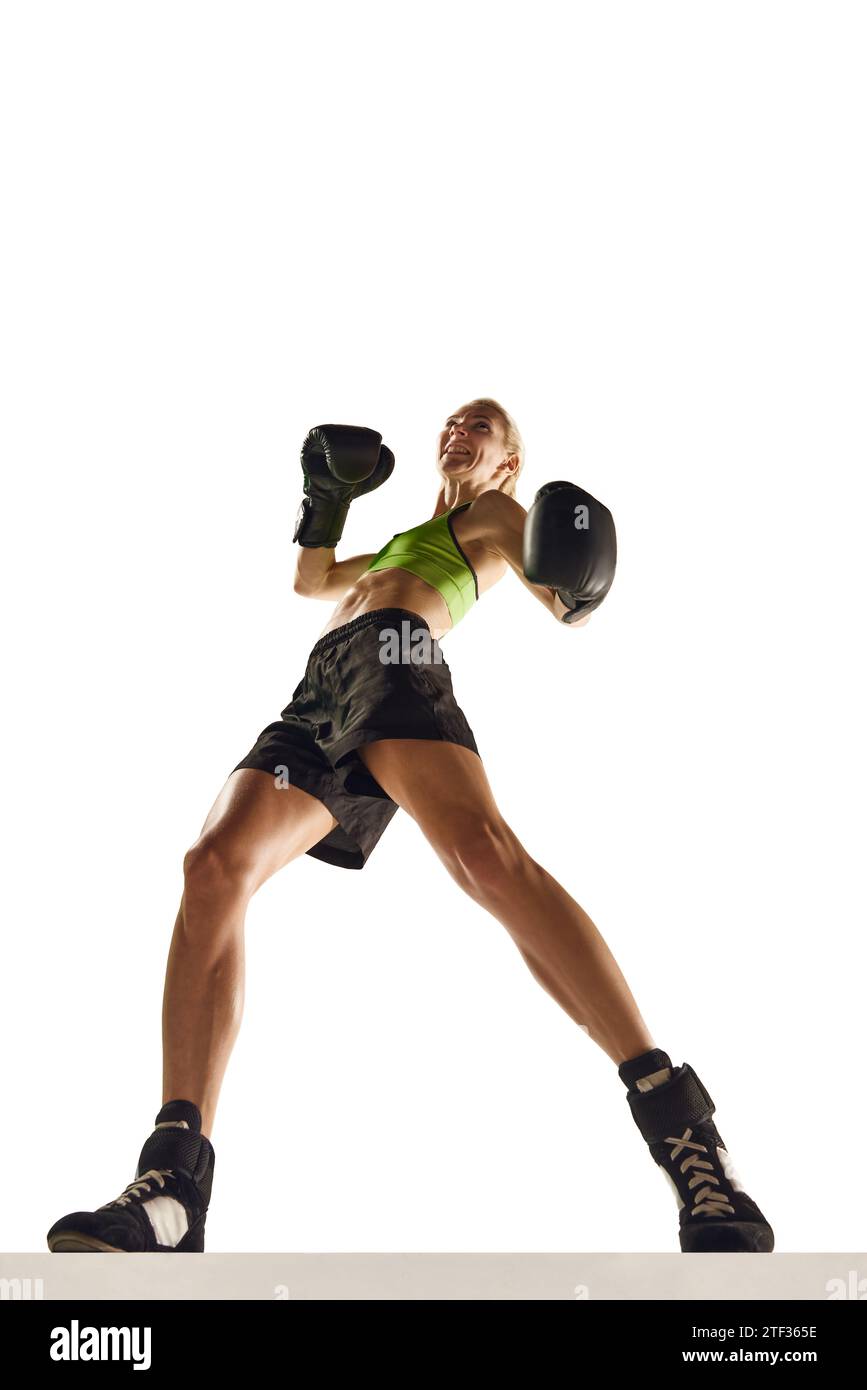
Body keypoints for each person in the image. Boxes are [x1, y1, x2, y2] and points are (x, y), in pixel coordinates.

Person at [47, 399, 774, 1255]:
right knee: (213, 866)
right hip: (318, 693)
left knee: (484, 860)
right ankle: (173, 1187)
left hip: (395, 659)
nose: (458, 432)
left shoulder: (497, 512)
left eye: (482, 428)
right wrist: (324, 497)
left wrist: (574, 589)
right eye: (455, 423)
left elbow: (561, 600)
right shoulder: (403, 538)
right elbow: (312, 581)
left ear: (507, 464)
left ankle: (687, 1139)